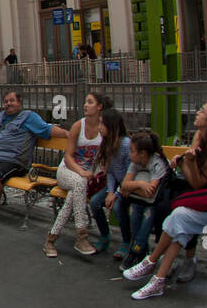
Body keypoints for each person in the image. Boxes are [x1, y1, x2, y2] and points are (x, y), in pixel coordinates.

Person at [125, 100, 207, 299]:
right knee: (178, 221)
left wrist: (186, 162)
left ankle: (150, 262)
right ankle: (157, 280)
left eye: (201, 111)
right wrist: (186, 161)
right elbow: (196, 177)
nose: (196, 113)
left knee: (178, 216)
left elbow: (198, 182)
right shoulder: (202, 137)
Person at [0, 90, 64, 222]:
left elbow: (48, 129)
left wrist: (69, 134)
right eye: (6, 101)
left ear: (19, 102)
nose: (8, 104)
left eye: (12, 101)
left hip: (15, 161)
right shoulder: (1, 116)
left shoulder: (29, 117)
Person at [44, 93, 111, 257]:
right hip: (67, 171)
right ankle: (82, 235)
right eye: (85, 102)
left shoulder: (104, 128)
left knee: (74, 195)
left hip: (85, 176)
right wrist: (81, 171)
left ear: (99, 107)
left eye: (90, 102)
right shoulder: (78, 126)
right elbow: (67, 156)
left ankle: (51, 239)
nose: (85, 105)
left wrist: (98, 173)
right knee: (79, 183)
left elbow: (104, 156)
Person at [115, 131, 171, 269]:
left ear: (143, 154)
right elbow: (124, 185)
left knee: (147, 218)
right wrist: (141, 184)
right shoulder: (135, 163)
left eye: (132, 151)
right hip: (138, 200)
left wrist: (132, 188)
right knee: (134, 216)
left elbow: (150, 194)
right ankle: (140, 249)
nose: (129, 154)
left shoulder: (157, 164)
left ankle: (135, 251)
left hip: (156, 203)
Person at [89, 109, 130, 257]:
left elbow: (131, 173)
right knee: (95, 202)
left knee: (118, 207)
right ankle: (104, 236)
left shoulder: (126, 145)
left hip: (128, 186)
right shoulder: (107, 144)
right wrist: (110, 191)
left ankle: (127, 241)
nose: (99, 127)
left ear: (111, 126)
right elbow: (111, 172)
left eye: (102, 124)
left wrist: (116, 193)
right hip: (116, 184)